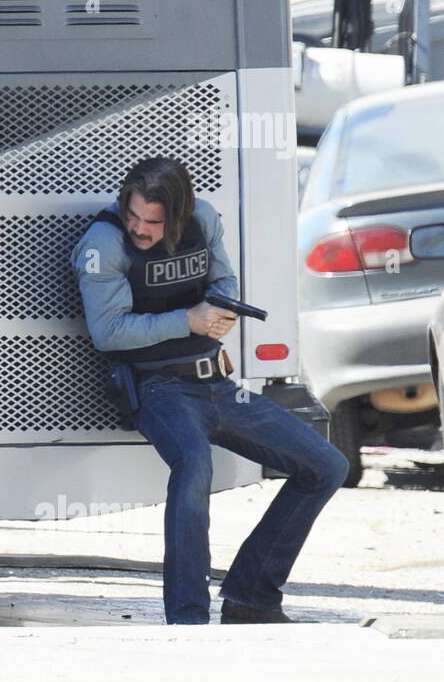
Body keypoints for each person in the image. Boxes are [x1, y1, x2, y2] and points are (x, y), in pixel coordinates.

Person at [71, 157, 348, 624]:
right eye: (133, 215)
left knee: (326, 465)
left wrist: (220, 312)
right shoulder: (103, 243)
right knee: (194, 465)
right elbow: (109, 332)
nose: (140, 228)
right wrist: (189, 320)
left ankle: (251, 597)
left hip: (216, 383)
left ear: (179, 215)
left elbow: (223, 280)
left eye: (153, 222)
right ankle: (187, 616)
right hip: (158, 388)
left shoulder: (203, 219)